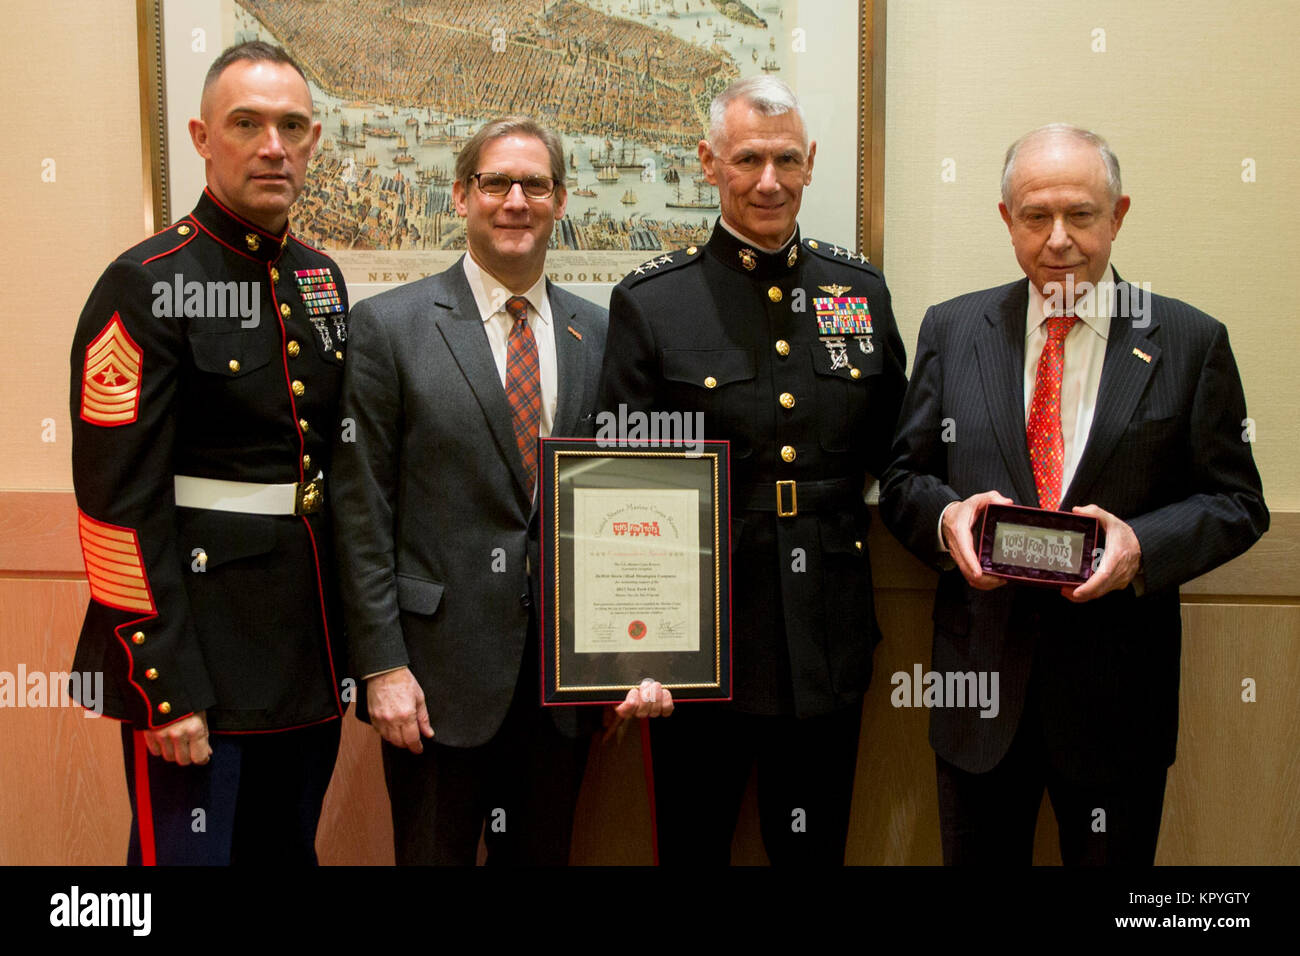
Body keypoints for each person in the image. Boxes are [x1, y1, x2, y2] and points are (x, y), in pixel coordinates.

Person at [879, 124, 1269, 865]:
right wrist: (948, 519)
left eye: (1081, 215)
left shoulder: (1189, 340)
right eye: (1035, 216)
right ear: (1006, 220)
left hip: (1117, 699)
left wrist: (1141, 547)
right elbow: (902, 478)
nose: (1058, 239)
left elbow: (1237, 503)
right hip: (980, 694)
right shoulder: (952, 329)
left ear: (1118, 215)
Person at [332, 116, 665, 865]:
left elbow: (621, 507)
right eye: (495, 182)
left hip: (559, 690)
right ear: (461, 196)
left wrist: (620, 660)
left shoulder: (602, 331)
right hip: (431, 683)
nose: (516, 199)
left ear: (561, 200)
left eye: (536, 184)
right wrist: (381, 666)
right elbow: (361, 511)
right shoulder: (389, 327)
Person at [597, 76, 908, 865]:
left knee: (814, 850)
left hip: (827, 633)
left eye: (786, 160)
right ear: (709, 164)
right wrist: (634, 652)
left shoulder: (859, 292)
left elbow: (894, 447)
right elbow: (619, 482)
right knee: (692, 845)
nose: (768, 181)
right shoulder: (653, 302)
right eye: (747, 160)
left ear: (811, 164)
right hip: (700, 635)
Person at [68, 41, 349, 865]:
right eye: (247, 123)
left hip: (305, 656)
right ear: (201, 137)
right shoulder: (145, 282)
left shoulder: (319, 279)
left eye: (292, 126)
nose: (273, 145)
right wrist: (164, 686)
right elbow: (116, 510)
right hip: (200, 661)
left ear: (313, 140)